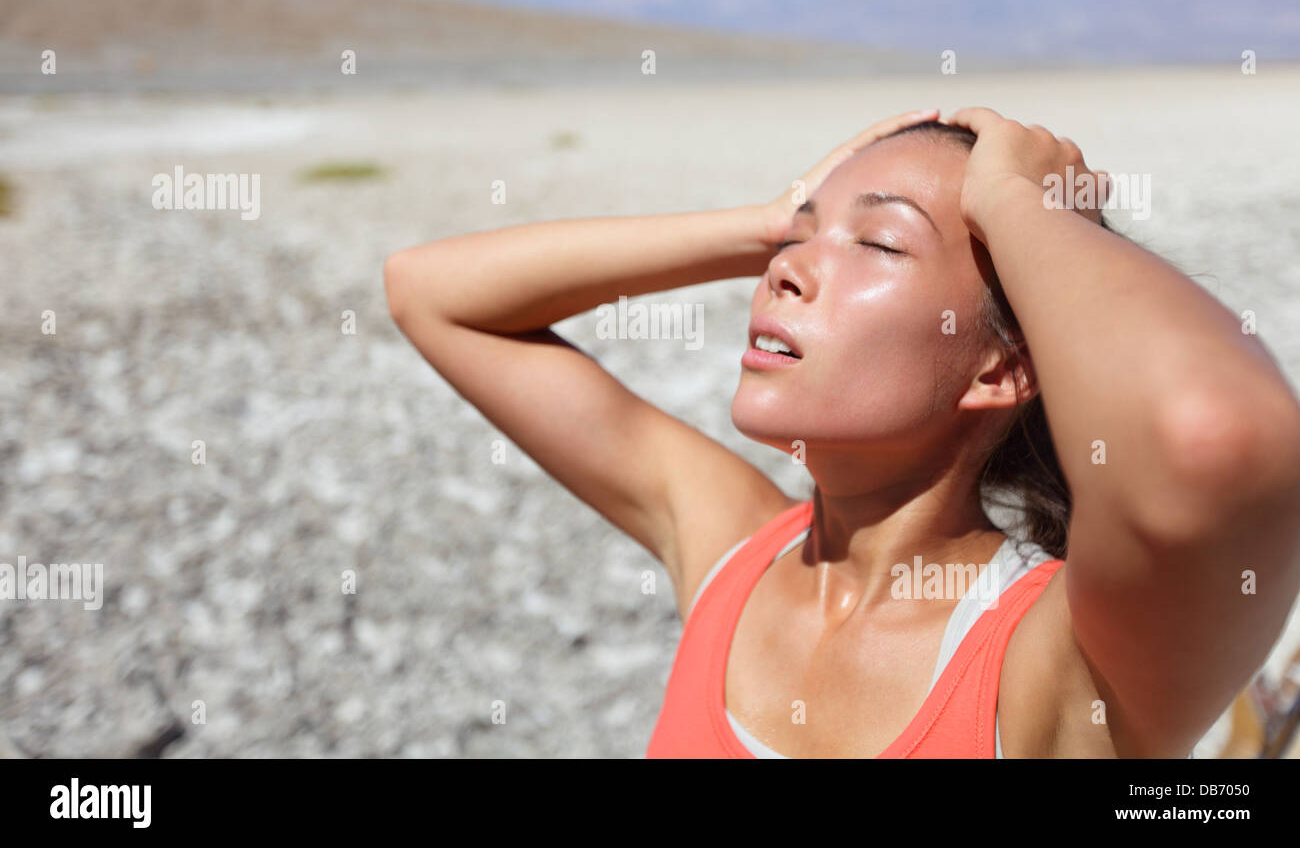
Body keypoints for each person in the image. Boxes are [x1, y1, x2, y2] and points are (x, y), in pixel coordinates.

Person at [383, 107, 1300, 757]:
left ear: (999, 369)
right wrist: (767, 220)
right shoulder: (734, 558)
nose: (785, 271)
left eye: (882, 245)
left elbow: (1213, 436)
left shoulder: (1054, 662)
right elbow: (430, 294)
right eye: (796, 240)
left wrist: (1027, 204)